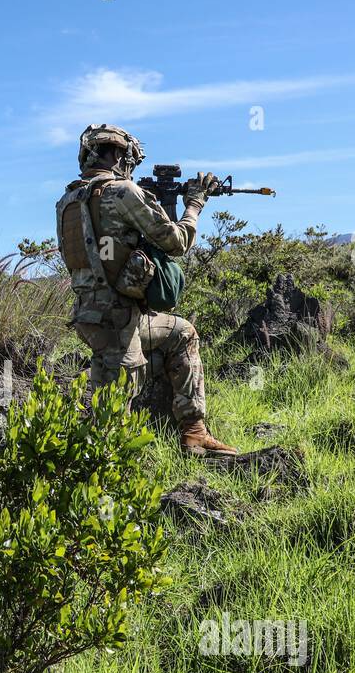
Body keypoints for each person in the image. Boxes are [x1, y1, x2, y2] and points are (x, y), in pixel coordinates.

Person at [56, 123, 238, 456]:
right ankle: (105, 479)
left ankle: (194, 432)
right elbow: (177, 242)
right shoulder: (122, 193)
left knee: (182, 333)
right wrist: (194, 205)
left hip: (90, 315)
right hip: (117, 319)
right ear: (120, 156)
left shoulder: (68, 200)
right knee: (112, 422)